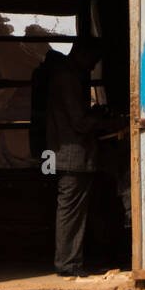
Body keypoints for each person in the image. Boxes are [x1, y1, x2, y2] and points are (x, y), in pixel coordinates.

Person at [37, 38, 124, 277]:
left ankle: (71, 261)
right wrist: (106, 122)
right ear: (81, 54)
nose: (93, 66)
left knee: (72, 210)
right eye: (93, 60)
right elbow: (78, 121)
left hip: (68, 155)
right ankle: (68, 264)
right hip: (72, 155)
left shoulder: (67, 75)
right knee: (70, 211)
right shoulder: (68, 77)